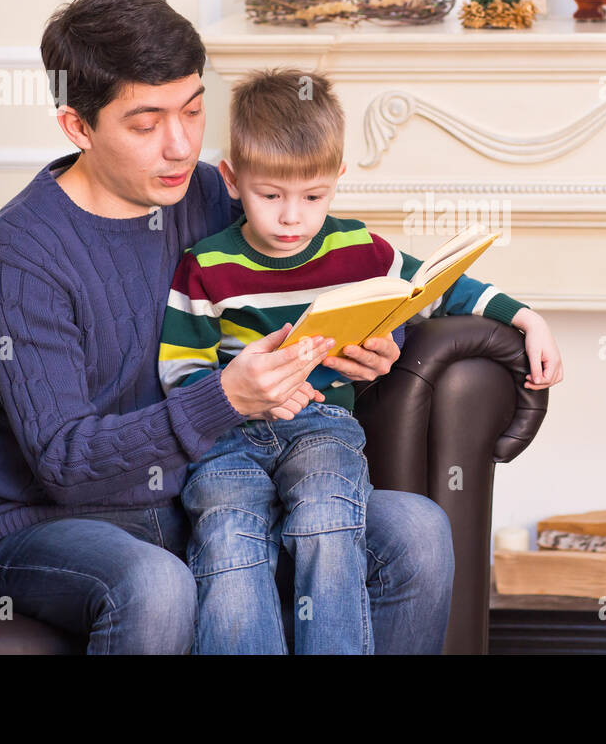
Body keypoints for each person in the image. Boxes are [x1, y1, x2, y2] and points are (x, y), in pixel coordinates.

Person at [0, 0, 455, 653]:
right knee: (156, 587)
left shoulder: (211, 195)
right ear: (78, 126)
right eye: (146, 124)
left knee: (417, 531)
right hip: (49, 520)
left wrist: (373, 338)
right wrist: (226, 399)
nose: (181, 145)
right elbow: (66, 465)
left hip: (206, 488)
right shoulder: (22, 259)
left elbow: (316, 273)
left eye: (193, 111)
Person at [158, 68, 564, 654]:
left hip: (322, 426)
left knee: (329, 517)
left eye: (314, 196)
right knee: (228, 536)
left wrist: (526, 317)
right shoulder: (205, 264)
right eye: (270, 195)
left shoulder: (358, 249)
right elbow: (180, 372)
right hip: (229, 438)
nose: (292, 217)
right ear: (232, 179)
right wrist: (234, 386)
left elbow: (441, 287)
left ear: (338, 179)